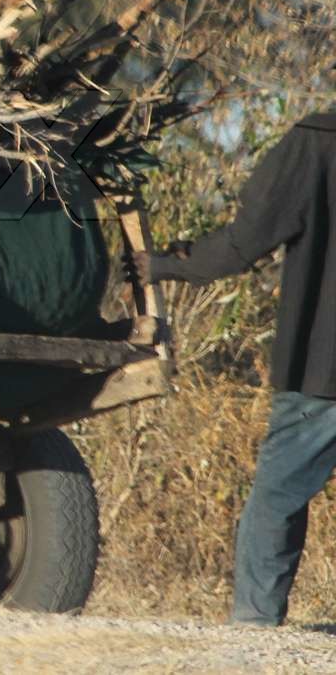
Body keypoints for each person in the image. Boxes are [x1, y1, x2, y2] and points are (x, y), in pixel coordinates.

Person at [133, 111, 336, 627]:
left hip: (324, 367)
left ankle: (255, 630)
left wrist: (163, 264)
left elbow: (246, 241)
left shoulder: (317, 142)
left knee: (278, 495)